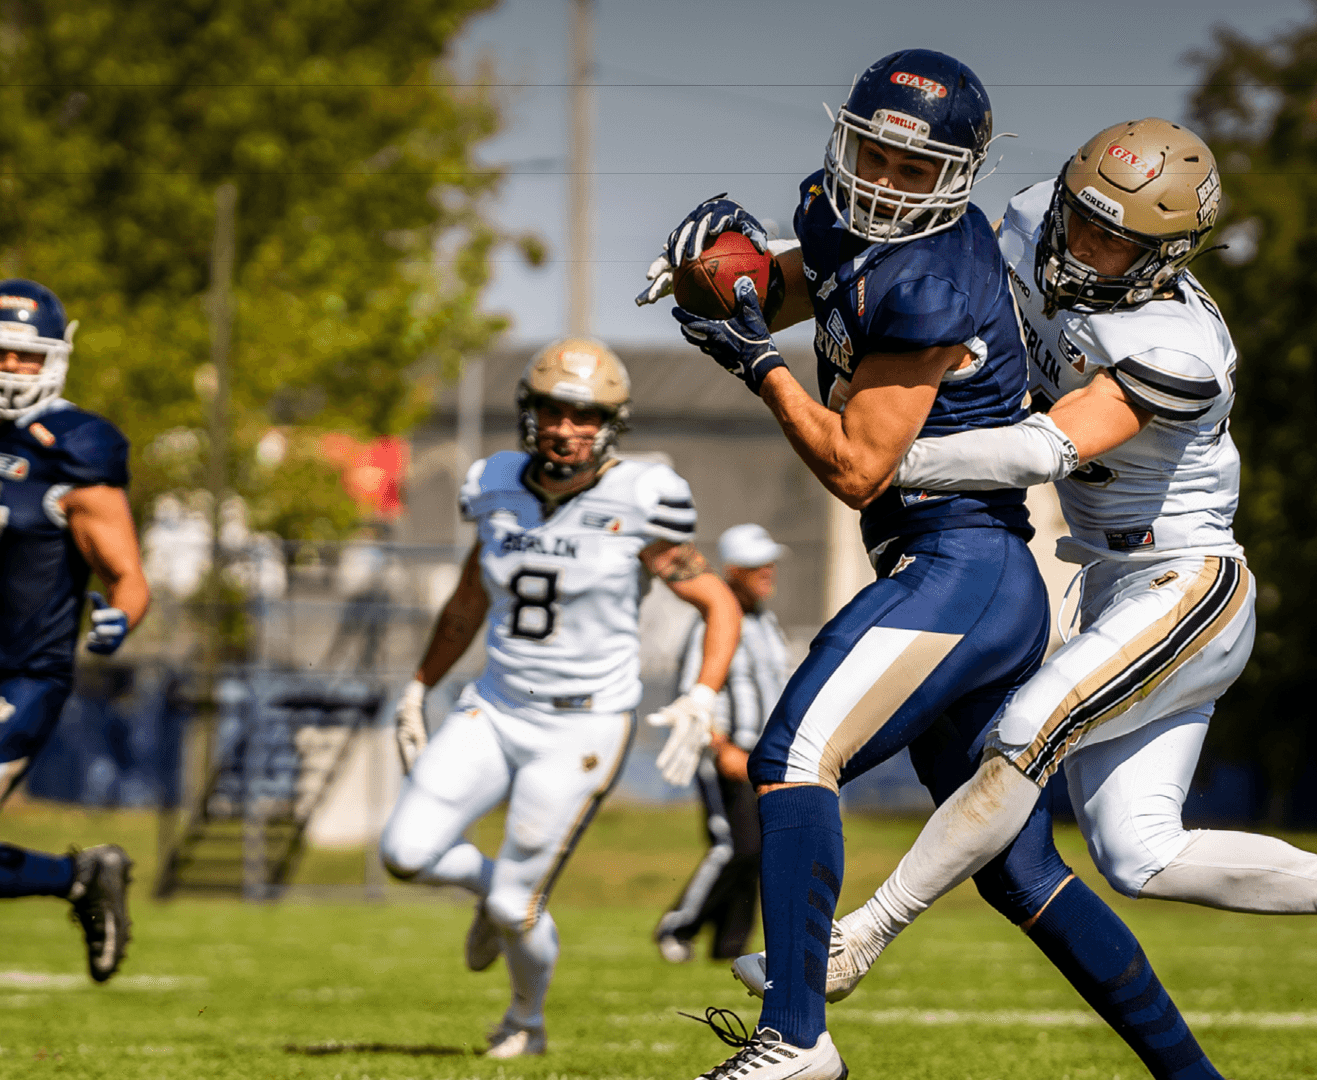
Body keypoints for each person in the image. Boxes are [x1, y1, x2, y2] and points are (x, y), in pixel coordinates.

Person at [741, 119, 1317, 1008]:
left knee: (1022, 735)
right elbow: (924, 272)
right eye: (1081, 219)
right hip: (1107, 581)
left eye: (1116, 241)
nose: (1084, 246)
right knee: (1139, 856)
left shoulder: (1177, 347)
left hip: (1185, 583)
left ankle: (861, 940)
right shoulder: (1029, 222)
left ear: (1166, 256)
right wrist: (757, 275)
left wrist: (877, 456)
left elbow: (1043, 451)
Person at [646, 54, 1231, 1080]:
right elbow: (785, 288)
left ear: (957, 174)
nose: (883, 177)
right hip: (953, 566)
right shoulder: (846, 215)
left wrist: (753, 361)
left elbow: (857, 468)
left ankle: (796, 1041)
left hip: (964, 562)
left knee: (792, 754)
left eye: (911, 166)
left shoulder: (935, 273)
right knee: (1018, 871)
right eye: (873, 148)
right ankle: (1195, 1079)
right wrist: (718, 273)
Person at [378, 337, 742, 1058]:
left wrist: (703, 694)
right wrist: (418, 688)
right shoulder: (495, 483)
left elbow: (718, 602)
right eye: (552, 409)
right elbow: (469, 597)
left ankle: (525, 1023)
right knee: (403, 852)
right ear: (529, 411)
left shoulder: (643, 497)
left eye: (584, 414)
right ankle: (491, 892)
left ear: (611, 422)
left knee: (519, 904)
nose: (565, 427)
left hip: (583, 725)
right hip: (494, 705)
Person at [0, 279, 146, 982]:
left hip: (22, 673)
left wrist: (124, 615)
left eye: (26, 357)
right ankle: (79, 876)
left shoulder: (72, 449)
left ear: (54, 361)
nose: (10, 368)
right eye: (0, 352)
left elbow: (128, 574)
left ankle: (78, 877)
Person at [654, 523, 790, 963]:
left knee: (759, 850)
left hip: (765, 755)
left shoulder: (766, 622)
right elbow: (696, 691)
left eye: (770, 561)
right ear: (734, 570)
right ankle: (677, 925)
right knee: (735, 845)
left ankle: (730, 946)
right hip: (727, 753)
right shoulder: (714, 622)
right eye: (757, 564)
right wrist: (721, 746)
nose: (768, 570)